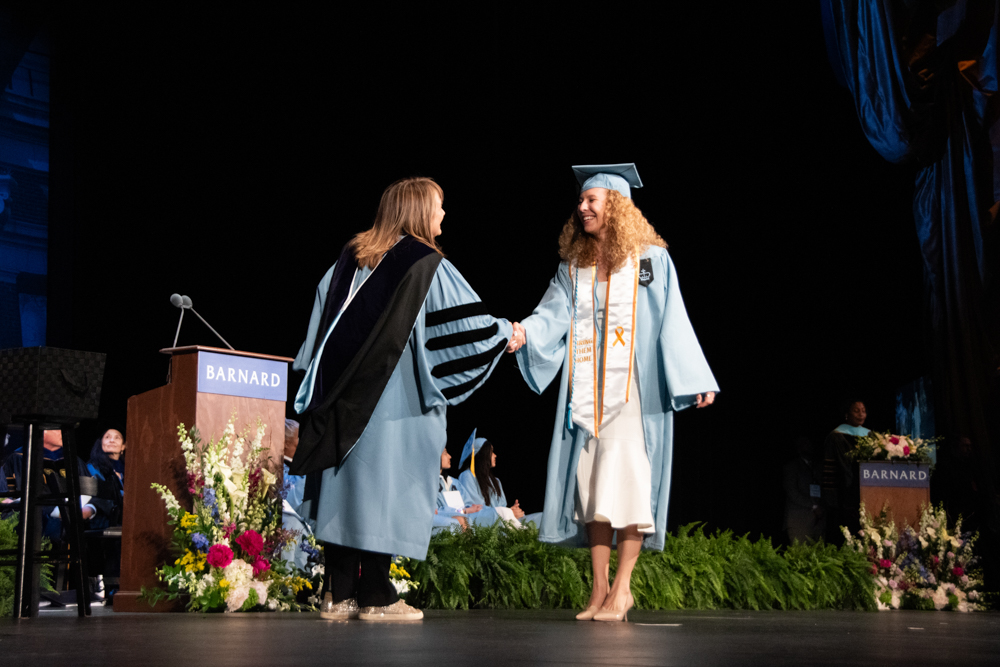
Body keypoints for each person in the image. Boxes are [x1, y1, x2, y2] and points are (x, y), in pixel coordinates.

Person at [289, 176, 512, 622]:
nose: (443, 215)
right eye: (439, 206)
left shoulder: (344, 265)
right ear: (417, 211)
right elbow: (467, 332)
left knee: (344, 492)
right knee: (384, 490)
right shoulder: (425, 265)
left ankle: (338, 593)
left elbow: (314, 346)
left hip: (339, 405)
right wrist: (506, 331)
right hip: (397, 407)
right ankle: (376, 595)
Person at [508, 163, 718, 622]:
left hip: (634, 396)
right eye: (581, 202)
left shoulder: (651, 261)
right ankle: (598, 590)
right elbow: (552, 313)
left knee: (628, 488)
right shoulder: (574, 267)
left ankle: (623, 589)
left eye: (591, 201)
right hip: (586, 395)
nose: (581, 208)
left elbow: (673, 321)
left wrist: (695, 376)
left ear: (616, 207)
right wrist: (526, 331)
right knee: (593, 489)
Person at [454, 429, 540, 527]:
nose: (495, 455)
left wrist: (513, 510)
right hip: (480, 521)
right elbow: (475, 507)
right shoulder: (467, 476)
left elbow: (503, 506)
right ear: (482, 455)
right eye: (491, 452)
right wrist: (508, 512)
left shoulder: (496, 481)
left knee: (540, 518)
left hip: (501, 518)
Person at [822, 399, 870, 543]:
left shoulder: (870, 436)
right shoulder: (836, 436)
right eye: (856, 410)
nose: (861, 414)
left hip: (867, 493)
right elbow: (831, 471)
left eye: (863, 410)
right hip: (844, 496)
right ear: (847, 414)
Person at [432, 445, 483, 533]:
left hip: (463, 517)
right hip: (444, 518)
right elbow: (434, 510)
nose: (450, 456)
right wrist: (462, 511)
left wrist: (471, 508)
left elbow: (468, 504)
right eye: (445, 453)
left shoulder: (454, 482)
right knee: (458, 521)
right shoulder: (429, 483)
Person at [783, 437, 825, 543]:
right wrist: (814, 506)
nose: (809, 448)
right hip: (799, 520)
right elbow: (792, 492)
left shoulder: (817, 466)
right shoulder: (792, 467)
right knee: (800, 555)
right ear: (799, 448)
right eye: (805, 445)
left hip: (819, 521)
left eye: (810, 445)